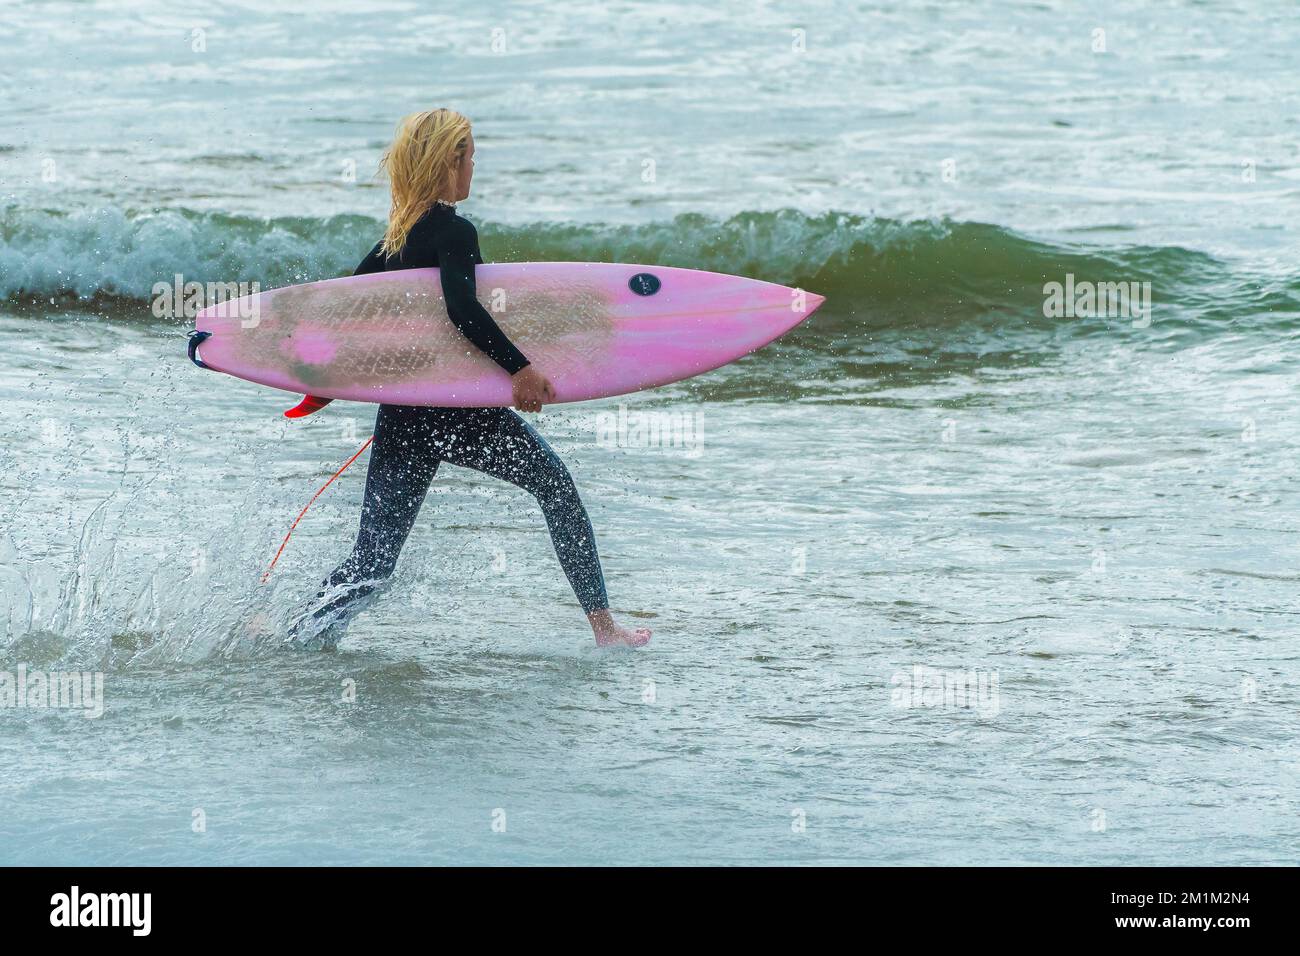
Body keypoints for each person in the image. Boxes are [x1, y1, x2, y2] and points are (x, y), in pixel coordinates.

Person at [290, 109, 651, 650]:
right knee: (556, 488)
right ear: (449, 162)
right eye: (471, 157)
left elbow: (347, 309)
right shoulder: (455, 231)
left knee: (375, 558)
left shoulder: (395, 241)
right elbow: (464, 311)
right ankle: (604, 629)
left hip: (404, 416)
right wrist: (520, 370)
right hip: (461, 414)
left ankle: (302, 634)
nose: (474, 167)